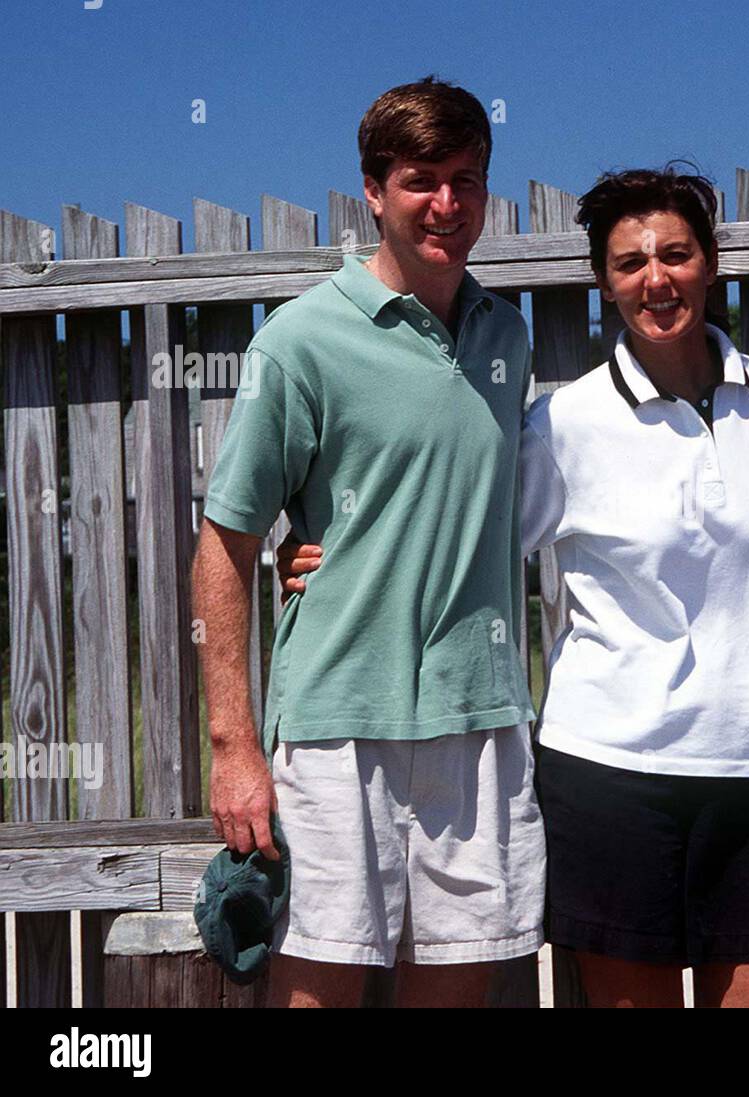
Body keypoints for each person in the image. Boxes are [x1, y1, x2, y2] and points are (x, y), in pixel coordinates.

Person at [281, 166, 749, 1007]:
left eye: (676, 254)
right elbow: (464, 541)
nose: (657, 279)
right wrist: (346, 555)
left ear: (711, 264)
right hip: (609, 775)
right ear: (606, 285)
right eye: (629, 263)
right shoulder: (564, 425)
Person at [192, 77, 545, 1008]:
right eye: (422, 179)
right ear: (372, 192)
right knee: (318, 987)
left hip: (478, 719)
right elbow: (226, 541)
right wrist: (233, 744)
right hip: (338, 721)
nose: (447, 204)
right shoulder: (300, 342)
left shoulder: (507, 335)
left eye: (466, 179)